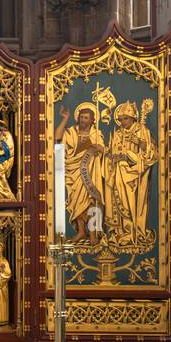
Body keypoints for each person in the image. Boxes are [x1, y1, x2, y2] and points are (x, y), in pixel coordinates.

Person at [106, 100, 158, 247]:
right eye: (121, 119)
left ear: (133, 118)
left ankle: (133, 231)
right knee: (119, 201)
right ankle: (122, 232)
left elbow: (150, 153)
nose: (122, 122)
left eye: (126, 119)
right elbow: (113, 152)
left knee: (132, 202)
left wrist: (138, 144)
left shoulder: (142, 131)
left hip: (135, 173)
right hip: (119, 172)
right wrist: (112, 157)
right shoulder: (117, 133)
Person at [58, 101, 106, 242]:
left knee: (91, 201)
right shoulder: (71, 132)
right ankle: (81, 231)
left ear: (92, 120)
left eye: (86, 117)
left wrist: (97, 147)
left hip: (91, 172)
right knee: (77, 201)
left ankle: (92, 233)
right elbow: (57, 138)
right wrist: (65, 119)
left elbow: (103, 150)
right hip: (74, 172)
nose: (82, 120)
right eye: (81, 117)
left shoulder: (96, 133)